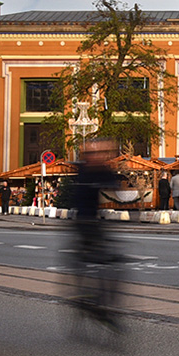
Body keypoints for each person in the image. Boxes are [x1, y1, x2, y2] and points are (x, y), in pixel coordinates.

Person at [68, 138, 125, 331]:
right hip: (82, 222)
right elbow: (77, 196)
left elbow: (114, 185)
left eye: (103, 153)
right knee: (90, 258)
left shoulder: (102, 169)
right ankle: (84, 296)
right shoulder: (83, 171)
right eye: (95, 154)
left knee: (114, 262)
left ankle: (106, 305)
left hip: (96, 222)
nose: (99, 157)